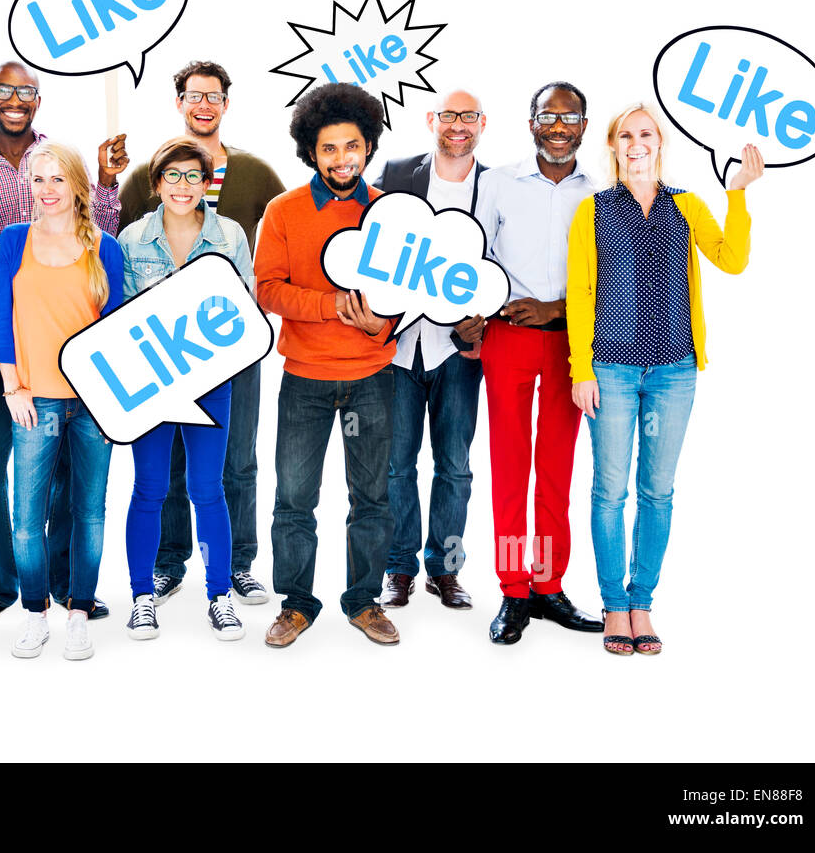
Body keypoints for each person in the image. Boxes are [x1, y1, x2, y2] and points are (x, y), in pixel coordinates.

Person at [568, 104, 759, 654]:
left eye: (645, 133)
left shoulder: (687, 205)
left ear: (660, 143)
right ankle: (613, 605)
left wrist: (739, 193)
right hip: (610, 367)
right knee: (610, 491)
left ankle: (642, 602)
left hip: (674, 370)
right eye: (625, 135)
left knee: (658, 490)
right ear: (613, 145)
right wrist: (582, 369)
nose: (636, 142)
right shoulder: (593, 210)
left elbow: (733, 259)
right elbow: (581, 292)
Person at [0, 60, 126, 625]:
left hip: (67, 367)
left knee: (64, 489)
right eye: (5, 90)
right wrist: (0, 370)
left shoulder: (64, 160)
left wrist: (106, 181)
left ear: (39, 99)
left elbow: (102, 239)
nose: (15, 99)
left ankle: (63, 587)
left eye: (27, 91)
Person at [119, 60, 284, 605]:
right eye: (194, 95)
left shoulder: (257, 174)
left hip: (232, 350)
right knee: (164, 462)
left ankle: (236, 561)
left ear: (226, 104)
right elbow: (111, 249)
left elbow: (285, 235)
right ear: (180, 103)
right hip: (159, 352)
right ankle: (169, 562)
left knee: (237, 458)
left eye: (213, 95)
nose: (204, 104)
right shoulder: (148, 173)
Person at [254, 83, 400, 648]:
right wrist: (332, 306)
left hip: (371, 377)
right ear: (311, 154)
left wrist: (376, 325)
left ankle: (364, 602)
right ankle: (295, 604)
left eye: (352, 146)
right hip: (305, 381)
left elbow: (403, 295)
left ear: (368, 147)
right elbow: (268, 289)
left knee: (371, 496)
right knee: (294, 497)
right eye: (329, 149)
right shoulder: (284, 210)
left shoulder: (389, 210)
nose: (342, 159)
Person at [475, 81, 602, 645]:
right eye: (547, 116)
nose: (558, 126)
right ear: (530, 123)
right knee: (509, 469)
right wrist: (468, 317)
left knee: (555, 470)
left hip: (571, 343)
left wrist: (557, 307)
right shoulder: (498, 183)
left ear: (582, 125)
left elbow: (612, 277)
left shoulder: (601, 194)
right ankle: (513, 589)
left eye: (569, 117)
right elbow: (471, 256)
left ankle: (548, 586)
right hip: (507, 337)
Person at [0, 142, 123, 661]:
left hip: (92, 402)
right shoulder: (12, 241)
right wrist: (12, 385)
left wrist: (113, 402)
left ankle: (79, 613)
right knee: (27, 518)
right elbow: (2, 317)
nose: (47, 191)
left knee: (89, 512)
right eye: (38, 179)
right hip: (33, 398)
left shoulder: (103, 247)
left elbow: (115, 330)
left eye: (57, 180)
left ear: (77, 186)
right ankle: (34, 613)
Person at [118, 137, 252, 640]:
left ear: (207, 183)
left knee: (207, 488)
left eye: (192, 176)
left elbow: (244, 306)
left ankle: (219, 595)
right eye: (172, 176)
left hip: (211, 383)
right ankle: (142, 597)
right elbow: (124, 316)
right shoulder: (132, 239)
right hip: (151, 386)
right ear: (156, 184)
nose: (182, 185)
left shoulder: (230, 235)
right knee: (149, 489)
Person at [373, 90, 490, 613]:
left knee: (456, 467)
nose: (458, 125)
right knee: (395, 466)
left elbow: (502, 259)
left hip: (459, 350)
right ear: (431, 120)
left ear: (482, 124)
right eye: (449, 115)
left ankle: (445, 570)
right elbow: (368, 243)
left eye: (468, 116)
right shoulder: (396, 172)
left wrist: (488, 317)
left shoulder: (497, 184)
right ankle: (399, 567)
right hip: (398, 348)